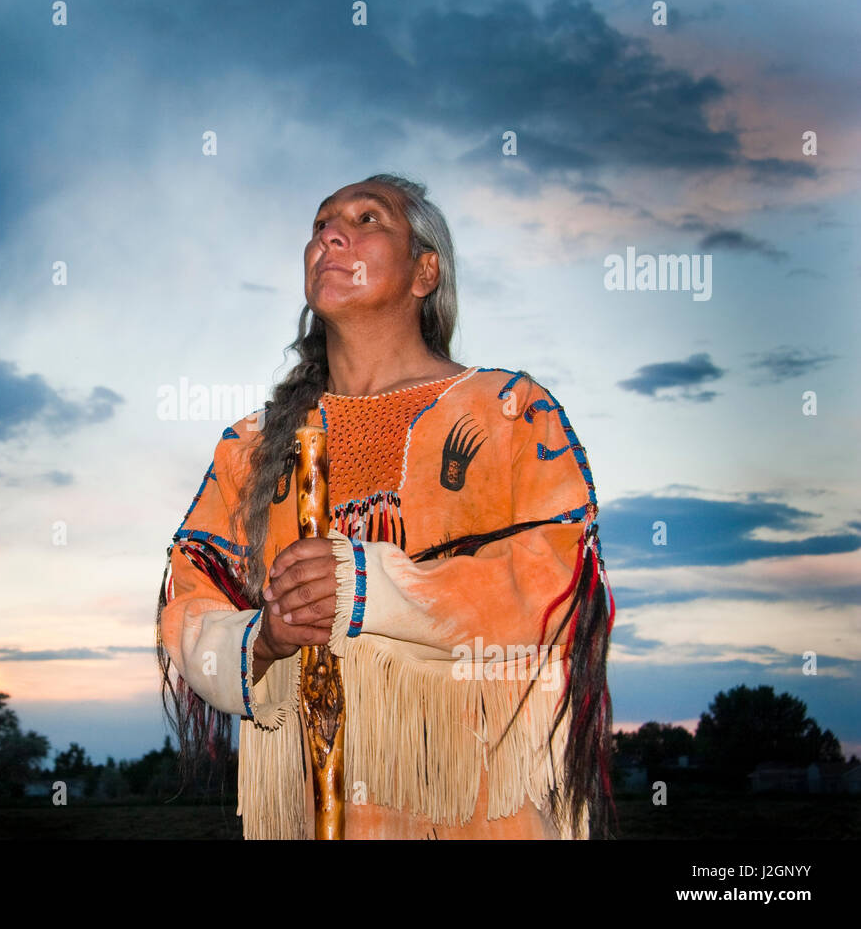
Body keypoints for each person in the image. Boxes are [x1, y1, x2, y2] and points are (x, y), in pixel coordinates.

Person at [156, 173, 616, 839]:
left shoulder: (508, 409)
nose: (330, 236)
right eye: (320, 226)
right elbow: (189, 597)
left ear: (425, 272)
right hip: (316, 811)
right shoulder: (251, 449)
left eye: (367, 220)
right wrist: (264, 637)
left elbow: (557, 578)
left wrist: (369, 587)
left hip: (484, 804)